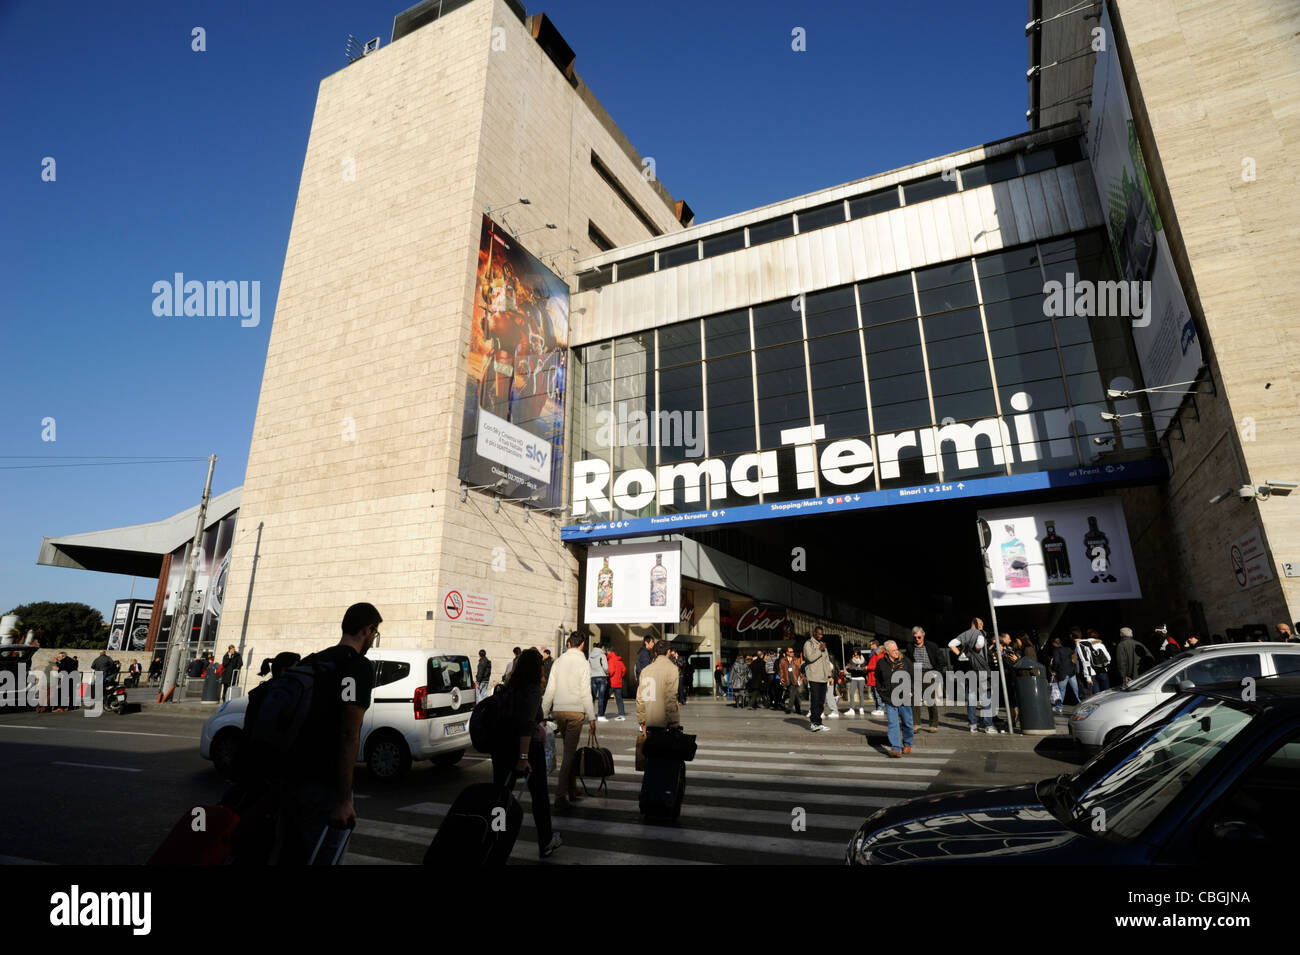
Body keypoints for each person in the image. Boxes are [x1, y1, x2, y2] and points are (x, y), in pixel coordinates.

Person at [276, 602, 380, 865]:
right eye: (374, 633)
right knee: (324, 856)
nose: (373, 639)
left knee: (292, 855)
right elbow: (348, 733)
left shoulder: (314, 660)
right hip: (324, 783)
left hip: (291, 778)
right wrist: (343, 799)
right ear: (367, 630)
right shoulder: (357, 666)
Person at [492, 648, 561, 858]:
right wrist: (523, 758)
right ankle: (546, 841)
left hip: (502, 746)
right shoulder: (532, 689)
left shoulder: (510, 686)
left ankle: (495, 836)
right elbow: (525, 725)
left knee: (501, 795)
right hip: (528, 749)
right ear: (535, 667)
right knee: (539, 796)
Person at [542, 632, 596, 813]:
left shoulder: (558, 661)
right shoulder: (583, 663)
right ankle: (560, 795)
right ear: (582, 645)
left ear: (568, 643)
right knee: (569, 755)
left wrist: (542, 713)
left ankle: (572, 789)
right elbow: (585, 692)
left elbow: (550, 690)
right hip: (575, 712)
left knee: (568, 750)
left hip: (559, 711)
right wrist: (592, 716)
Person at [949, 618, 995, 733]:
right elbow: (979, 643)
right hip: (981, 669)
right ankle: (988, 725)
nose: (982, 626)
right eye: (982, 624)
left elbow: (951, 644)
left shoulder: (965, 634)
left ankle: (972, 724)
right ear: (978, 624)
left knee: (972, 697)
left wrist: (961, 655)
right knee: (986, 697)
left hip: (969, 669)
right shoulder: (980, 633)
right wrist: (977, 650)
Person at [875, 641, 914, 757]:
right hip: (889, 698)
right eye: (893, 650)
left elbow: (914, 676)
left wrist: (911, 690)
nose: (896, 652)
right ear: (887, 652)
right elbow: (878, 680)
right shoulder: (881, 663)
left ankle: (907, 744)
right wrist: (883, 695)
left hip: (904, 697)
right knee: (893, 723)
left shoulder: (905, 661)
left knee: (907, 722)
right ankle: (896, 748)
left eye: (897, 649)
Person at [636, 640, 681, 734]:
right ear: (668, 651)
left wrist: (642, 720)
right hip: (665, 722)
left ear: (655, 653)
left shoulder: (645, 670)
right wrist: (673, 720)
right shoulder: (672, 669)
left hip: (649, 721)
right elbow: (671, 697)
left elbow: (640, 699)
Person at [907, 627, 945, 732]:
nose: (917, 639)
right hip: (915, 673)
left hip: (929, 672)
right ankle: (916, 724)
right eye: (915, 637)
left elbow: (941, 660)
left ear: (923, 636)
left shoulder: (932, 646)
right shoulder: (910, 647)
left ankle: (933, 724)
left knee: (930, 700)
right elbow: (908, 661)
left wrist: (936, 673)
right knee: (914, 700)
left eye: (919, 637)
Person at [803, 627, 832, 732]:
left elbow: (827, 661)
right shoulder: (808, 644)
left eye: (822, 634)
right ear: (814, 633)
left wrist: (829, 675)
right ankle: (814, 723)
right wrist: (819, 649)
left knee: (821, 701)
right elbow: (810, 658)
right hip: (814, 676)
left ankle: (818, 723)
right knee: (815, 700)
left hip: (823, 677)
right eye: (819, 634)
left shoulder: (822, 644)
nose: (821, 636)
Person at [1048, 636, 1078, 713]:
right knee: (1076, 690)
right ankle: (1082, 704)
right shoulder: (1068, 649)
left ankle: (1059, 707)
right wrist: (1073, 667)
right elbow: (1074, 657)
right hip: (1071, 672)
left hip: (1062, 673)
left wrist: (1054, 670)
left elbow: (1056, 661)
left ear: (1055, 643)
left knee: (1062, 690)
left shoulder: (1056, 650)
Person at [778, 646, 804, 714]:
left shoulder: (796, 659)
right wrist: (781, 677)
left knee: (792, 693)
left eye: (793, 651)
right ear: (787, 653)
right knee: (795, 694)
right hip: (787, 679)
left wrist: (801, 678)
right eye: (790, 652)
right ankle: (798, 709)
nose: (792, 653)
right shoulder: (783, 660)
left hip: (795, 678)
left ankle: (789, 708)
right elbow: (781, 670)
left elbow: (800, 670)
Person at [589, 640, 611, 721]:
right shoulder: (602, 655)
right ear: (602, 647)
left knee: (593, 697)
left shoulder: (590, 655)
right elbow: (605, 667)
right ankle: (600, 715)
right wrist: (607, 673)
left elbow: (589, 666)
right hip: (601, 677)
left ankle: (590, 715)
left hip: (593, 677)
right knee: (601, 697)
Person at [605, 648, 627, 720]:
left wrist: (607, 676)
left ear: (609, 652)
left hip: (611, 683)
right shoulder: (619, 660)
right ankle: (622, 714)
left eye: (607, 652)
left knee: (605, 699)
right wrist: (620, 676)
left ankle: (601, 714)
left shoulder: (611, 660)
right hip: (618, 683)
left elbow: (611, 671)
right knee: (619, 700)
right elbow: (624, 669)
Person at [845, 647, 867, 716]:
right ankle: (851, 709)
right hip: (854, 678)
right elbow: (849, 669)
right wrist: (849, 668)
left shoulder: (864, 661)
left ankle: (861, 708)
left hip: (861, 679)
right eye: (854, 655)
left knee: (861, 694)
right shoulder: (851, 661)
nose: (855, 656)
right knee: (851, 693)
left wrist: (858, 669)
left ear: (859, 654)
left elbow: (865, 670)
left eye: (856, 655)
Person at [865, 638, 885, 716]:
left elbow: (878, 665)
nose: (869, 646)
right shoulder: (873, 653)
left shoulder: (878, 653)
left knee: (877, 693)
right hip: (872, 675)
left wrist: (868, 667)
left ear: (875, 644)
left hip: (876, 676)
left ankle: (880, 709)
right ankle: (878, 708)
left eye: (870, 644)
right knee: (874, 693)